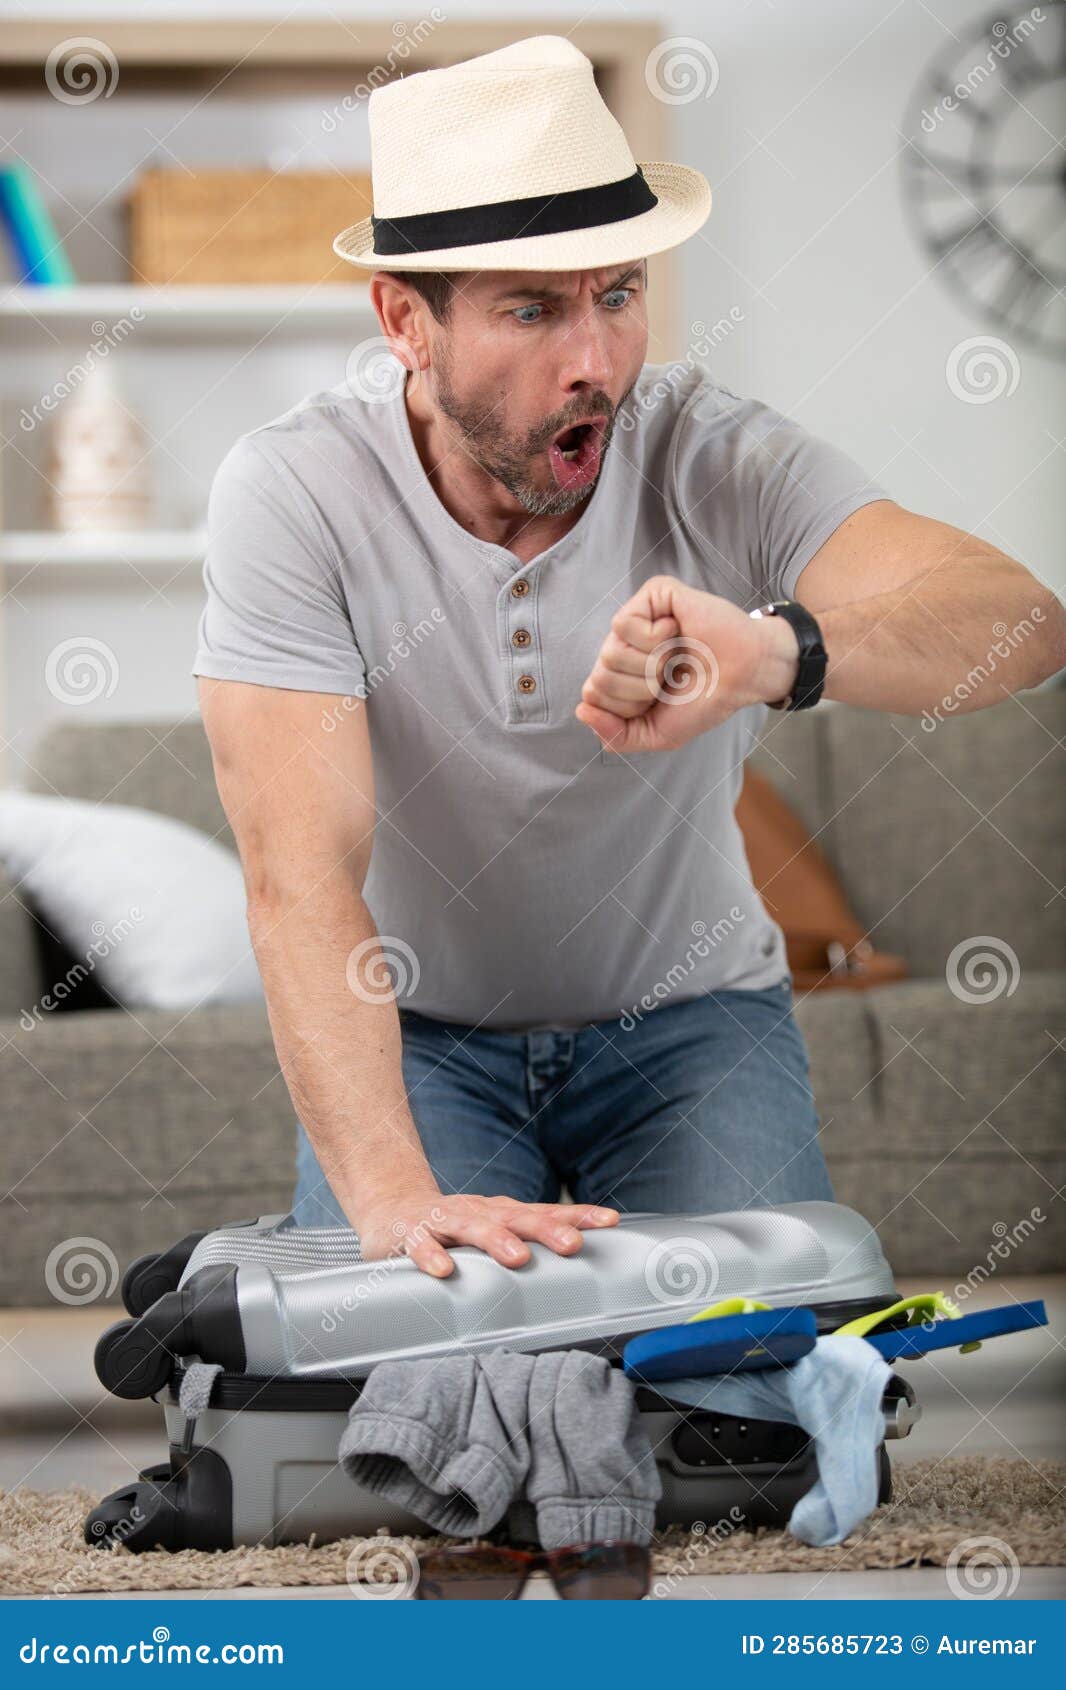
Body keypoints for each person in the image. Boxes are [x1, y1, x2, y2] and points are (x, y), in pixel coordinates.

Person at [193, 36, 1065, 1278]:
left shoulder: (715, 453)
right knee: (424, 1400)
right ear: (406, 321)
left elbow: (1021, 623)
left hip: (692, 1029)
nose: (594, 361)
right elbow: (299, 871)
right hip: (426, 1040)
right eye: (532, 308)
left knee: (744, 1403)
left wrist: (772, 655)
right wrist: (393, 1197)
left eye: (617, 292)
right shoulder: (293, 492)